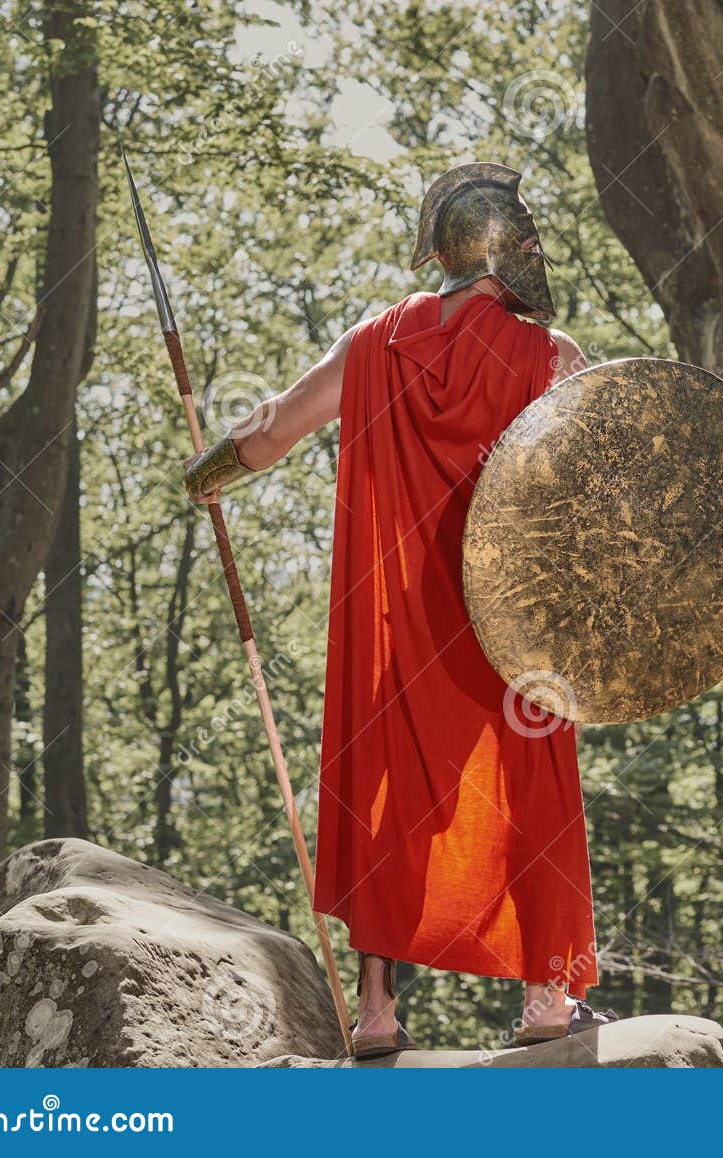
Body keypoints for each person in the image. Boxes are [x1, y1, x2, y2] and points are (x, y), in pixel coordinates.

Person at [183, 162, 616, 1058]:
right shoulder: (548, 355)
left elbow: (270, 428)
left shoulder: (373, 341)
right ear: (513, 250)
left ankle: (376, 1011)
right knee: (531, 783)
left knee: (386, 795)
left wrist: (207, 476)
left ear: (446, 253)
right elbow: (598, 481)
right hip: (506, 624)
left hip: (397, 624)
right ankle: (545, 999)